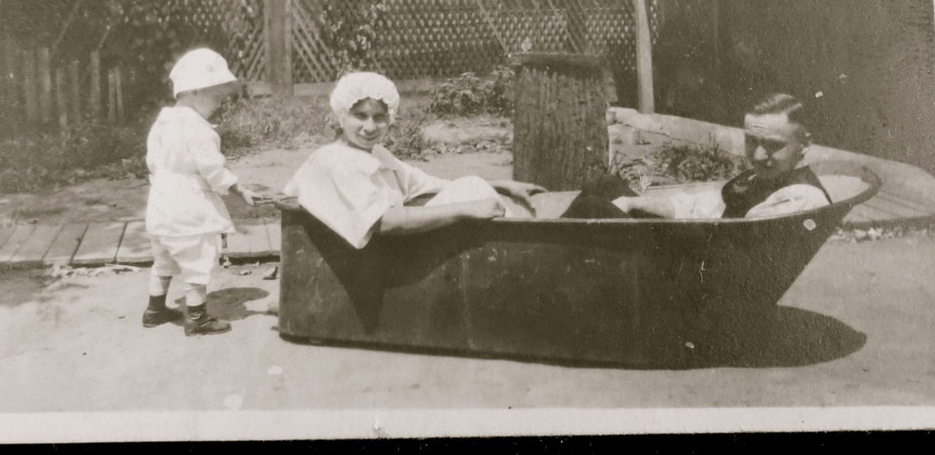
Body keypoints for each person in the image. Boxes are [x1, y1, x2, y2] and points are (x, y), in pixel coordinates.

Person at [283, 72, 546, 249]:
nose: (370, 127)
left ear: (390, 118)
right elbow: (384, 222)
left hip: (388, 250)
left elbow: (429, 184)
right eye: (360, 116)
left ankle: (528, 246)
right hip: (367, 261)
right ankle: (527, 250)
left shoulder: (375, 155)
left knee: (470, 185)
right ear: (341, 117)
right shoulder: (337, 161)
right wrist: (465, 209)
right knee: (471, 199)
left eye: (379, 117)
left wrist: (502, 185)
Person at [142, 48, 263, 336]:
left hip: (160, 204)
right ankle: (197, 318)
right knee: (196, 260)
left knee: (164, 259)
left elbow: (152, 160)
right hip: (188, 208)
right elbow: (212, 169)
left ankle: (154, 309)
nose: (220, 103)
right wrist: (239, 188)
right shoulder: (199, 129)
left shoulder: (164, 121)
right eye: (217, 97)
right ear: (194, 91)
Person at [611, 93, 832, 219]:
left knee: (597, 209)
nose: (757, 155)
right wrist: (634, 202)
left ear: (804, 144)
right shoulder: (762, 179)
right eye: (751, 141)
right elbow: (703, 205)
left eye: (773, 145)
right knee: (606, 188)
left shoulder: (800, 197)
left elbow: (734, 238)